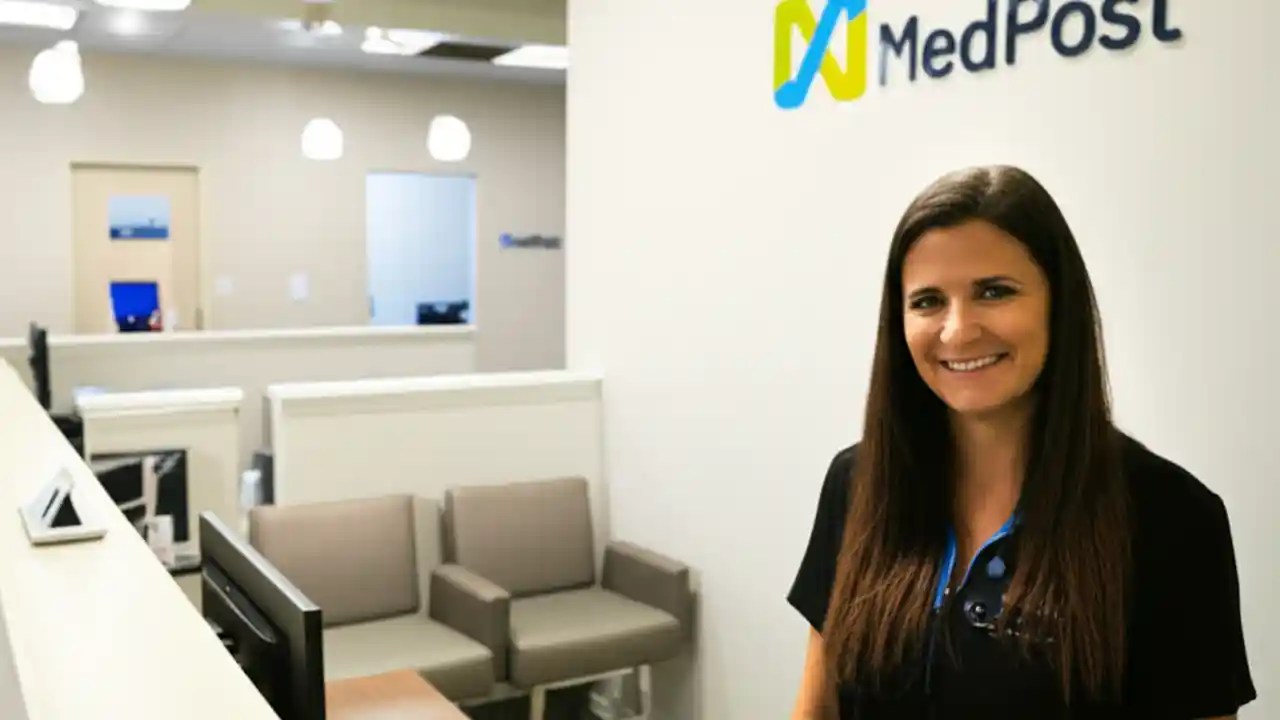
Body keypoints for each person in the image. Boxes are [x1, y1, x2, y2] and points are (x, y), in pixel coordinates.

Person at [787, 165, 1256, 719]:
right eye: (928, 301)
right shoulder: (858, 483)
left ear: (1060, 304)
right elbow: (817, 708)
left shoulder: (1172, 516)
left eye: (994, 292)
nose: (958, 330)